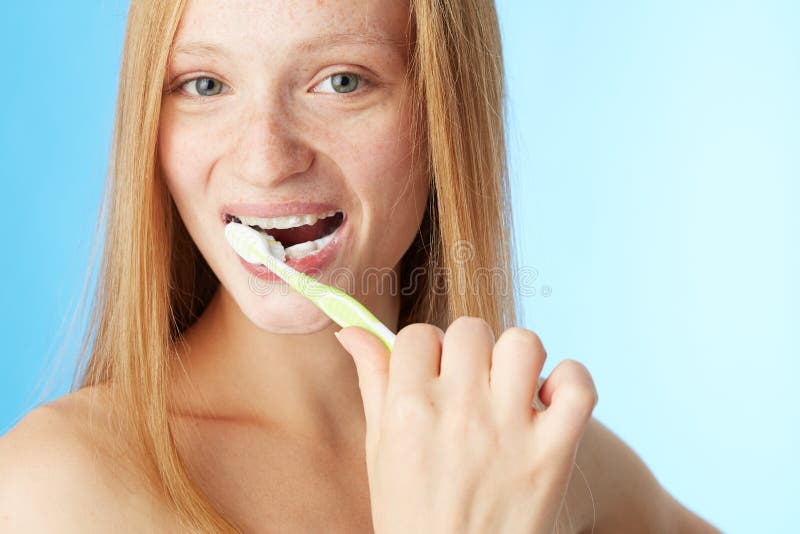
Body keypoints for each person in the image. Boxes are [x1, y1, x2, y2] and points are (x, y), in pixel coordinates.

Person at [0, 0, 720, 532]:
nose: (265, 161)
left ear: (445, 112)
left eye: (341, 81)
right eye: (205, 85)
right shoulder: (50, 492)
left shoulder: (532, 455)